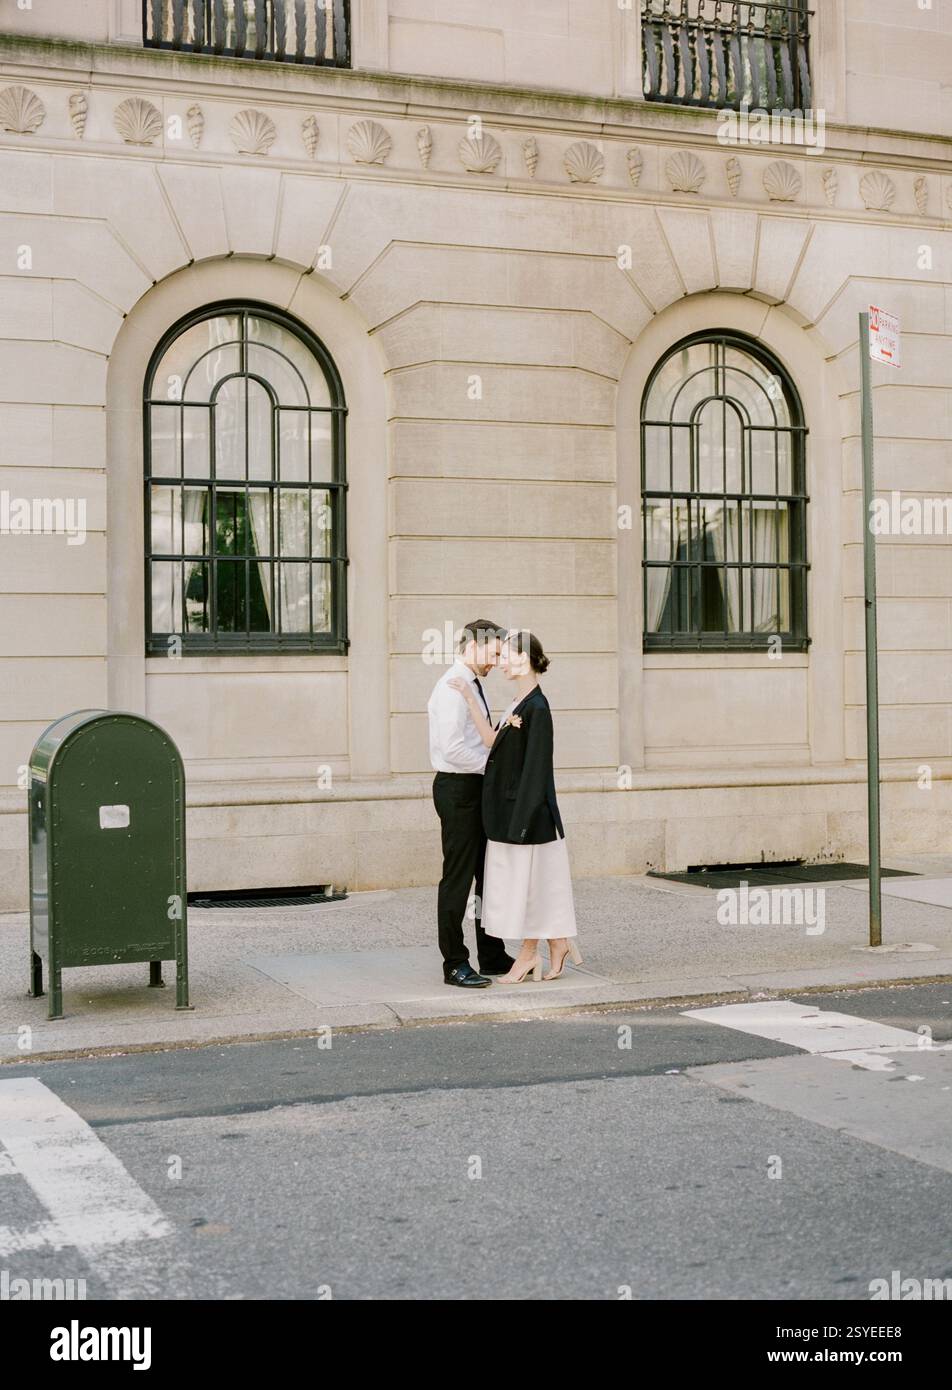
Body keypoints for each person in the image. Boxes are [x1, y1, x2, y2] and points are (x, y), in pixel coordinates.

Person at [450, 629, 580, 983]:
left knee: (529, 889)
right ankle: (555, 943)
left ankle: (529, 955)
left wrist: (520, 823)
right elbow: (492, 741)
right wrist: (468, 697)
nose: (501, 662)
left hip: (529, 820)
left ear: (524, 658)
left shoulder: (537, 707)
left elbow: (537, 771)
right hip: (510, 815)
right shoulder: (518, 702)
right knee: (528, 887)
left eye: (506, 656)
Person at [427, 620, 515, 988]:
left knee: (487, 874)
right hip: (459, 789)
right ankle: (454, 963)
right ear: (475, 646)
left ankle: (491, 954)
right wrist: (492, 767)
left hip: (475, 787)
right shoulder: (452, 686)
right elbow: (453, 750)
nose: (496, 661)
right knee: (459, 878)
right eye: (494, 653)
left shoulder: (472, 684)